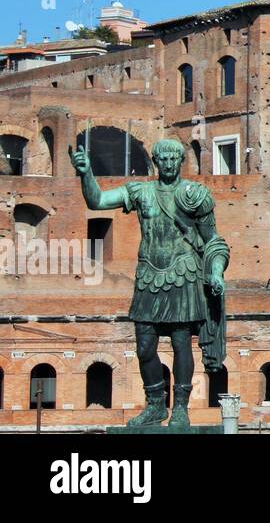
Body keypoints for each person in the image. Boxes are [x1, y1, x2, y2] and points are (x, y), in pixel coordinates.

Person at [69, 138, 229, 430]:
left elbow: (213, 241)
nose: (168, 165)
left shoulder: (195, 195)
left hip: (183, 273)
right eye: (163, 160)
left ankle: (180, 408)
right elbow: (98, 201)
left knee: (181, 343)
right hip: (149, 276)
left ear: (180, 162)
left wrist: (216, 271)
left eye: (173, 160)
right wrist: (86, 173)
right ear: (156, 162)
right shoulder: (141, 192)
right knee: (144, 346)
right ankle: (155, 405)